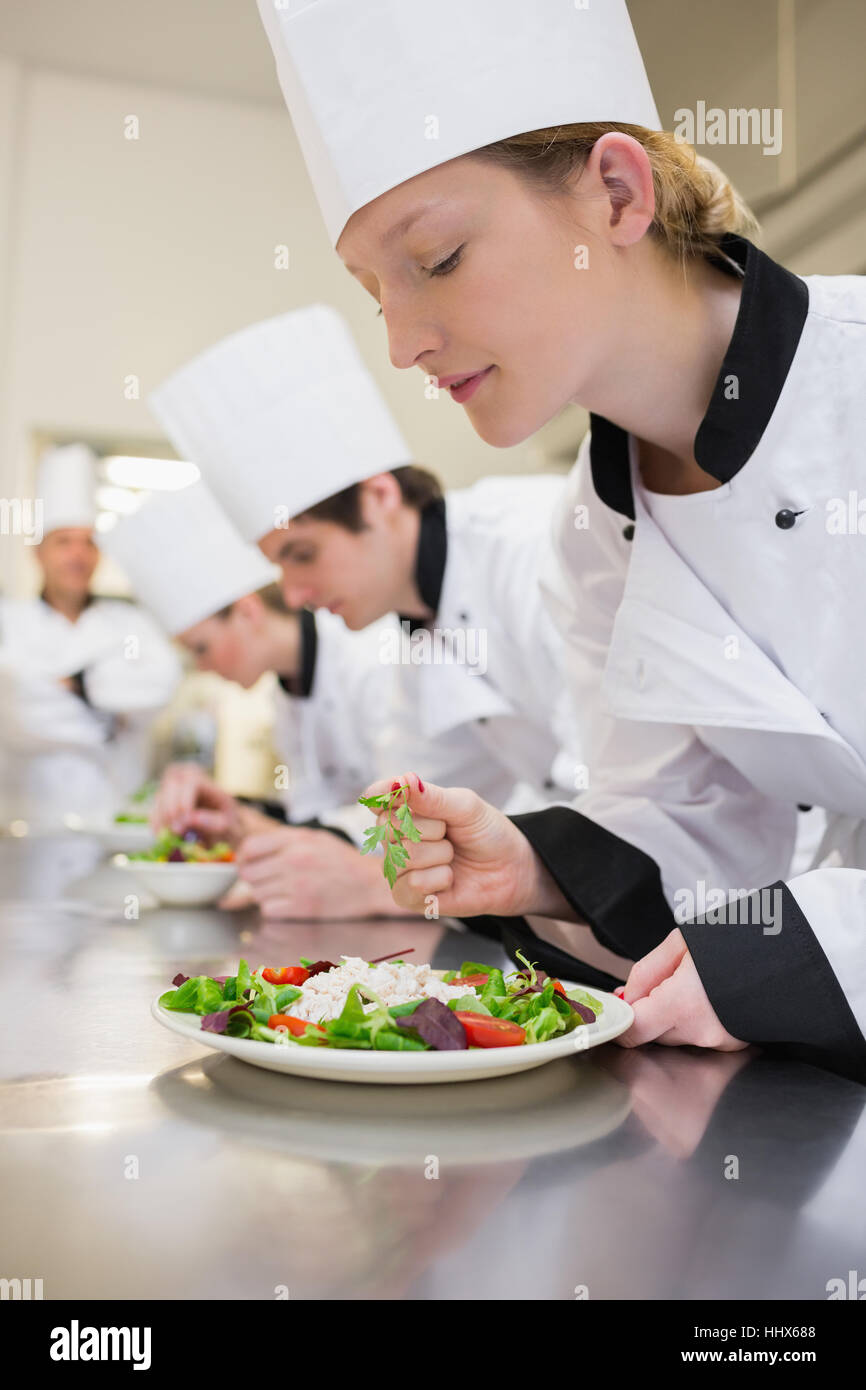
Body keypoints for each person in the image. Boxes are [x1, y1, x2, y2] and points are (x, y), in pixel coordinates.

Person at [256, 0, 866, 1082]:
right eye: (372, 295)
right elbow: (698, 819)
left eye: (434, 257)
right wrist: (536, 863)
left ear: (617, 193)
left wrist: (804, 950)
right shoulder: (599, 526)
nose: (401, 342)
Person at [148, 304, 584, 901]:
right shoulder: (417, 632)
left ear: (379, 497)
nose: (294, 595)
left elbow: (605, 786)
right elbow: (405, 803)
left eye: (302, 554)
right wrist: (272, 834)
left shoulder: (532, 547)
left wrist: (369, 883)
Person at [101, 478, 403, 918]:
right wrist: (235, 816)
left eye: (201, 647)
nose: (202, 667)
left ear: (247, 612)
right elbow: (316, 815)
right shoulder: (287, 694)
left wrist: (246, 824)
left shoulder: (372, 658)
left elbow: (399, 824)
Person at [0, 443, 181, 830]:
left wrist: (70, 686)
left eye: (89, 542)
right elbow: (16, 711)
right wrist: (109, 715)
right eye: (64, 541)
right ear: (38, 551)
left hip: (115, 823)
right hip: (27, 830)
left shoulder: (133, 623)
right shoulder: (8, 622)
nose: (78, 555)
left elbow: (160, 686)